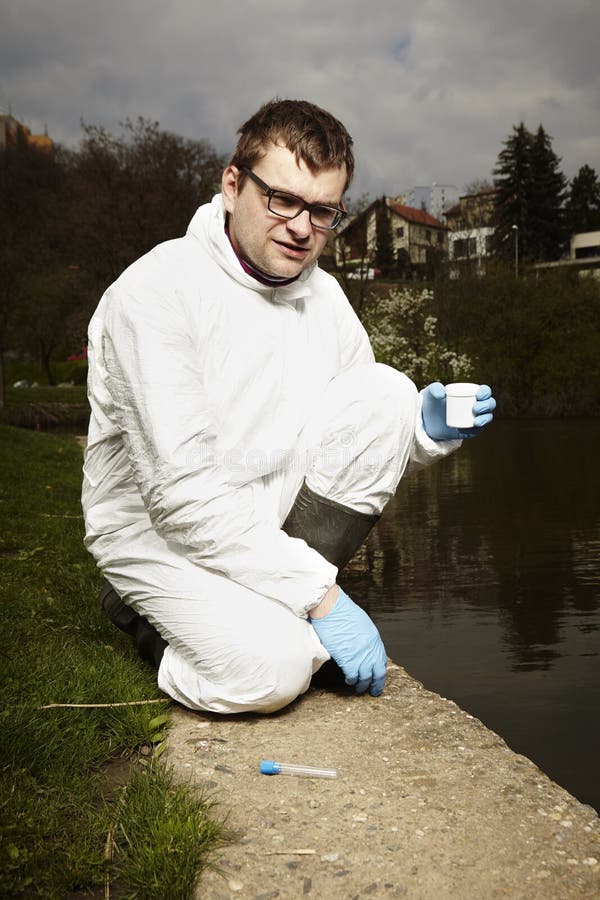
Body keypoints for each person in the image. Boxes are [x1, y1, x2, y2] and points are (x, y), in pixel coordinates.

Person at [82, 99, 495, 715]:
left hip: (261, 512)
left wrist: (422, 428)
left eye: (323, 210)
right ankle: (137, 611)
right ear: (232, 184)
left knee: (386, 391)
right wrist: (323, 599)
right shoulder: (156, 292)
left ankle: (278, 599)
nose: (302, 228)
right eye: (282, 199)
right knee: (270, 672)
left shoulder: (323, 296)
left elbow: (356, 429)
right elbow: (182, 497)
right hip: (158, 528)